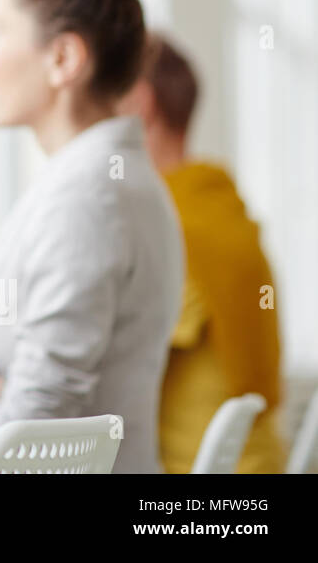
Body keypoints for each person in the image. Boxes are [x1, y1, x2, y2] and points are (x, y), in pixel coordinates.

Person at [0, 0, 185, 473]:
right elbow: (25, 345)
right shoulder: (103, 182)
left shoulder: (88, 202)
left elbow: (33, 431)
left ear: (63, 59)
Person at [117, 32, 286, 473]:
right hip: (266, 460)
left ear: (139, 102)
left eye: (105, 91)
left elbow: (98, 354)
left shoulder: (170, 224)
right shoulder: (219, 209)